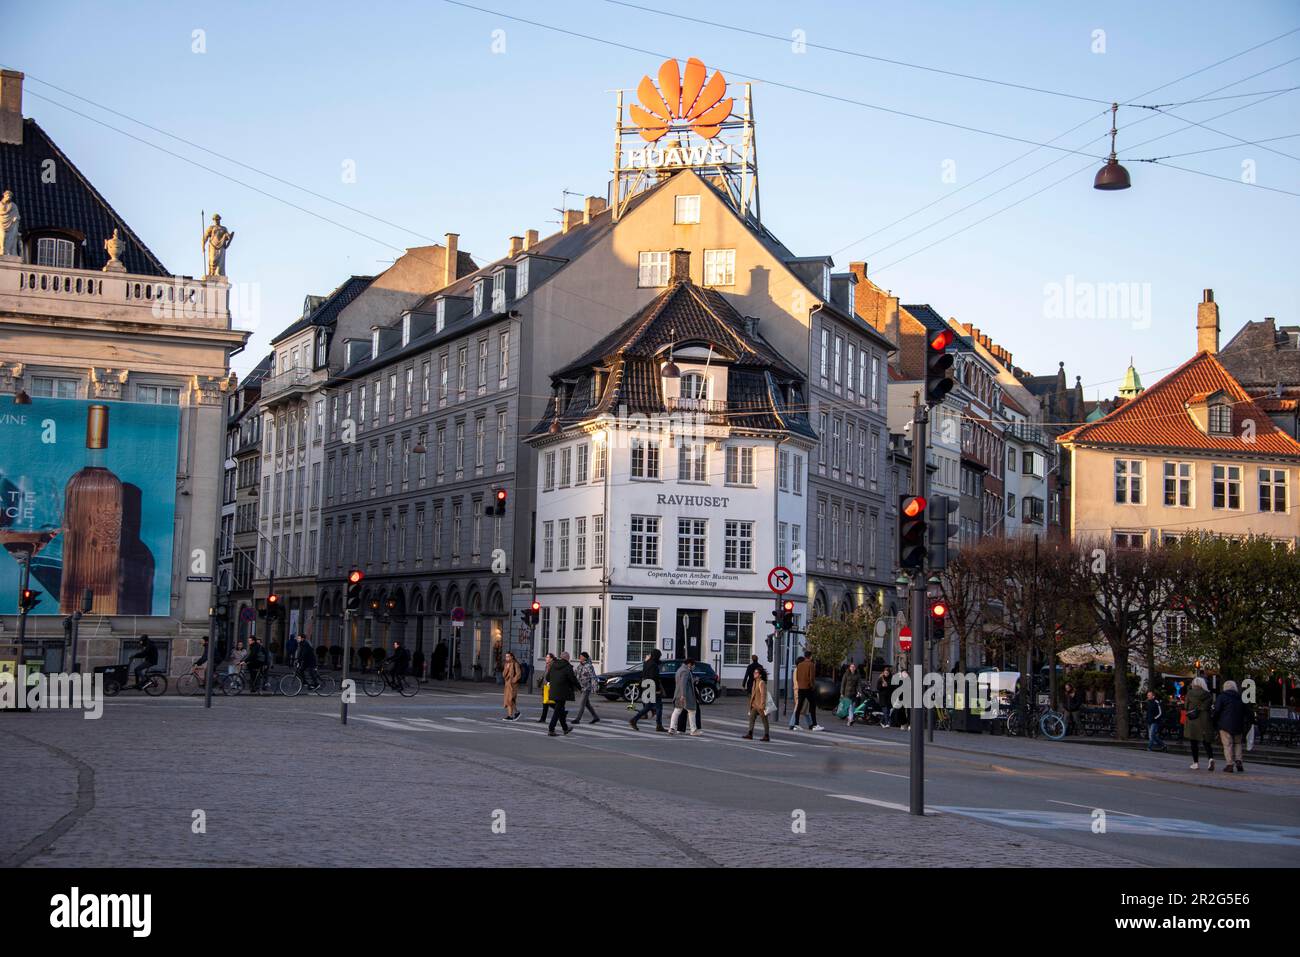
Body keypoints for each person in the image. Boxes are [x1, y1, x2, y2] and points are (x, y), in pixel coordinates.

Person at [1211, 680, 1246, 773]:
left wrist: (1214, 721)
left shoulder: (1222, 697)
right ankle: (1239, 760)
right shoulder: (1240, 697)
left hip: (1225, 724)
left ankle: (1229, 764)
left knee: (1227, 744)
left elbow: (1217, 710)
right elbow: (1245, 710)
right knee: (1238, 743)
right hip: (1238, 724)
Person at [629, 649, 667, 733]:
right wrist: (657, 690)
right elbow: (654, 678)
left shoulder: (646, 663)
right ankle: (658, 725)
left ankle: (635, 720)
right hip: (652, 686)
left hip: (645, 685)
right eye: (659, 656)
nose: (659, 657)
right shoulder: (654, 665)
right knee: (657, 706)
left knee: (650, 706)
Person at [1184, 675, 1215, 770]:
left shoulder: (1190, 693)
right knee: (1206, 741)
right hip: (1204, 719)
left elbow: (1186, 706)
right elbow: (1208, 706)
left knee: (1193, 741)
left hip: (1193, 719)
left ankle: (1195, 762)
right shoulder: (1207, 694)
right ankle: (1210, 759)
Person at [544, 653, 579, 736]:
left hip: (553, 690)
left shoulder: (553, 665)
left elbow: (548, 678)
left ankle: (565, 728)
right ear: (567, 658)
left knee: (560, 710)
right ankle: (551, 729)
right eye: (569, 658)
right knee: (557, 711)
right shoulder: (567, 667)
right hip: (562, 692)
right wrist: (579, 687)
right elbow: (572, 679)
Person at [790, 653, 823, 731]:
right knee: (812, 706)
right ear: (810, 657)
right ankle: (814, 725)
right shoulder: (811, 664)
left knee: (799, 707)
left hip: (800, 688)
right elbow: (811, 677)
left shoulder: (799, 665)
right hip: (808, 688)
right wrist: (813, 686)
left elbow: (797, 677)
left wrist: (800, 685)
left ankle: (796, 724)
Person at [670, 658, 701, 736]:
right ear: (689, 664)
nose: (694, 667)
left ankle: (672, 728)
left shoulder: (679, 670)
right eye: (693, 665)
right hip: (686, 695)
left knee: (677, 710)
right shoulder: (686, 671)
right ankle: (693, 730)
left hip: (678, 694)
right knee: (692, 711)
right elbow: (683, 683)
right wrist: (683, 695)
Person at [743, 664, 771, 742]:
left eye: (756, 673)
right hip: (755, 705)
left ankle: (766, 735)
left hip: (760, 705)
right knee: (751, 718)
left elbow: (763, 694)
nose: (754, 674)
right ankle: (750, 733)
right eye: (754, 672)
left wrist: (763, 705)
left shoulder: (761, 683)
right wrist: (751, 704)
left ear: (760, 675)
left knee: (764, 720)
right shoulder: (755, 682)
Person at [573, 652, 600, 724]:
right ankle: (596, 717)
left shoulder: (589, 666)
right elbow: (575, 673)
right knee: (587, 704)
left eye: (581, 657)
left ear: (585, 657)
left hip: (586, 687)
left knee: (582, 703)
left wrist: (595, 687)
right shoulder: (580, 665)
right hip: (581, 687)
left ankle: (577, 719)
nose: (580, 658)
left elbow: (593, 677)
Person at [501, 652, 522, 720]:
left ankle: (512, 715)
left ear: (512, 657)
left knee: (511, 699)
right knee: (508, 700)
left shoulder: (515, 663)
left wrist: (513, 680)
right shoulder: (506, 664)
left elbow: (518, 674)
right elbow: (503, 675)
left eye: (508, 656)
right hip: (507, 685)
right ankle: (515, 713)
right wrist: (506, 668)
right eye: (506, 657)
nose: (507, 658)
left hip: (513, 685)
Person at [841, 661, 862, 726]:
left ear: (855, 668)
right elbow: (843, 684)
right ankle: (850, 718)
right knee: (849, 706)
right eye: (851, 667)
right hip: (847, 692)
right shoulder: (846, 674)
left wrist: (859, 692)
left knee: (852, 706)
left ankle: (850, 719)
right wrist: (841, 692)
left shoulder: (857, 675)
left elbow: (859, 685)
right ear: (849, 668)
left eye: (854, 667)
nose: (853, 668)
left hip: (853, 693)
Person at [537, 654, 555, 723]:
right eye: (546, 657)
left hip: (548, 686)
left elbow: (551, 676)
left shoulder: (552, 666)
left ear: (551, 659)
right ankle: (543, 718)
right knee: (546, 703)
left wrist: (549, 683)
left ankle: (561, 711)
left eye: (547, 657)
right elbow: (545, 674)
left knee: (547, 702)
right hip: (545, 685)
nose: (546, 658)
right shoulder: (547, 665)